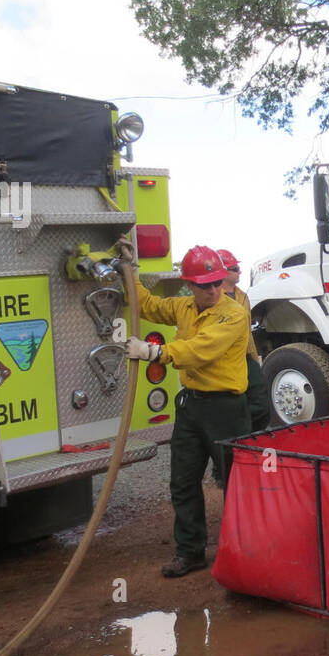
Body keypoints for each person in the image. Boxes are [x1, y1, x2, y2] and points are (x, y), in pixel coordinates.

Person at [125, 245, 250, 578]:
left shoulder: (232, 314)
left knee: (236, 482)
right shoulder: (183, 307)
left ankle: (245, 550)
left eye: (217, 283)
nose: (213, 290)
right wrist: (130, 272)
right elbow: (149, 305)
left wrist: (153, 352)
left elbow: (200, 349)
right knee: (183, 482)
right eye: (205, 285)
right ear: (189, 285)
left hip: (226, 408)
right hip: (192, 406)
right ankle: (190, 551)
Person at [218, 249, 270, 431]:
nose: (239, 271)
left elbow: (248, 331)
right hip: (224, 361)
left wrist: (254, 359)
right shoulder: (213, 299)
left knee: (261, 403)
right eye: (234, 268)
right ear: (223, 272)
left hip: (245, 357)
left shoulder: (243, 296)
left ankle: (252, 434)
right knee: (232, 403)